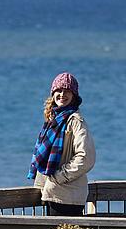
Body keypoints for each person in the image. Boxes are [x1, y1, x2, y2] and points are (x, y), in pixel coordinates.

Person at [28, 72, 96, 216]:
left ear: (74, 96)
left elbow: (86, 158)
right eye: (59, 90)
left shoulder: (76, 122)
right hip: (53, 192)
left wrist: (59, 177)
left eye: (67, 91)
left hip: (69, 196)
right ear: (53, 93)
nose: (62, 94)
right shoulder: (53, 120)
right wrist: (44, 185)